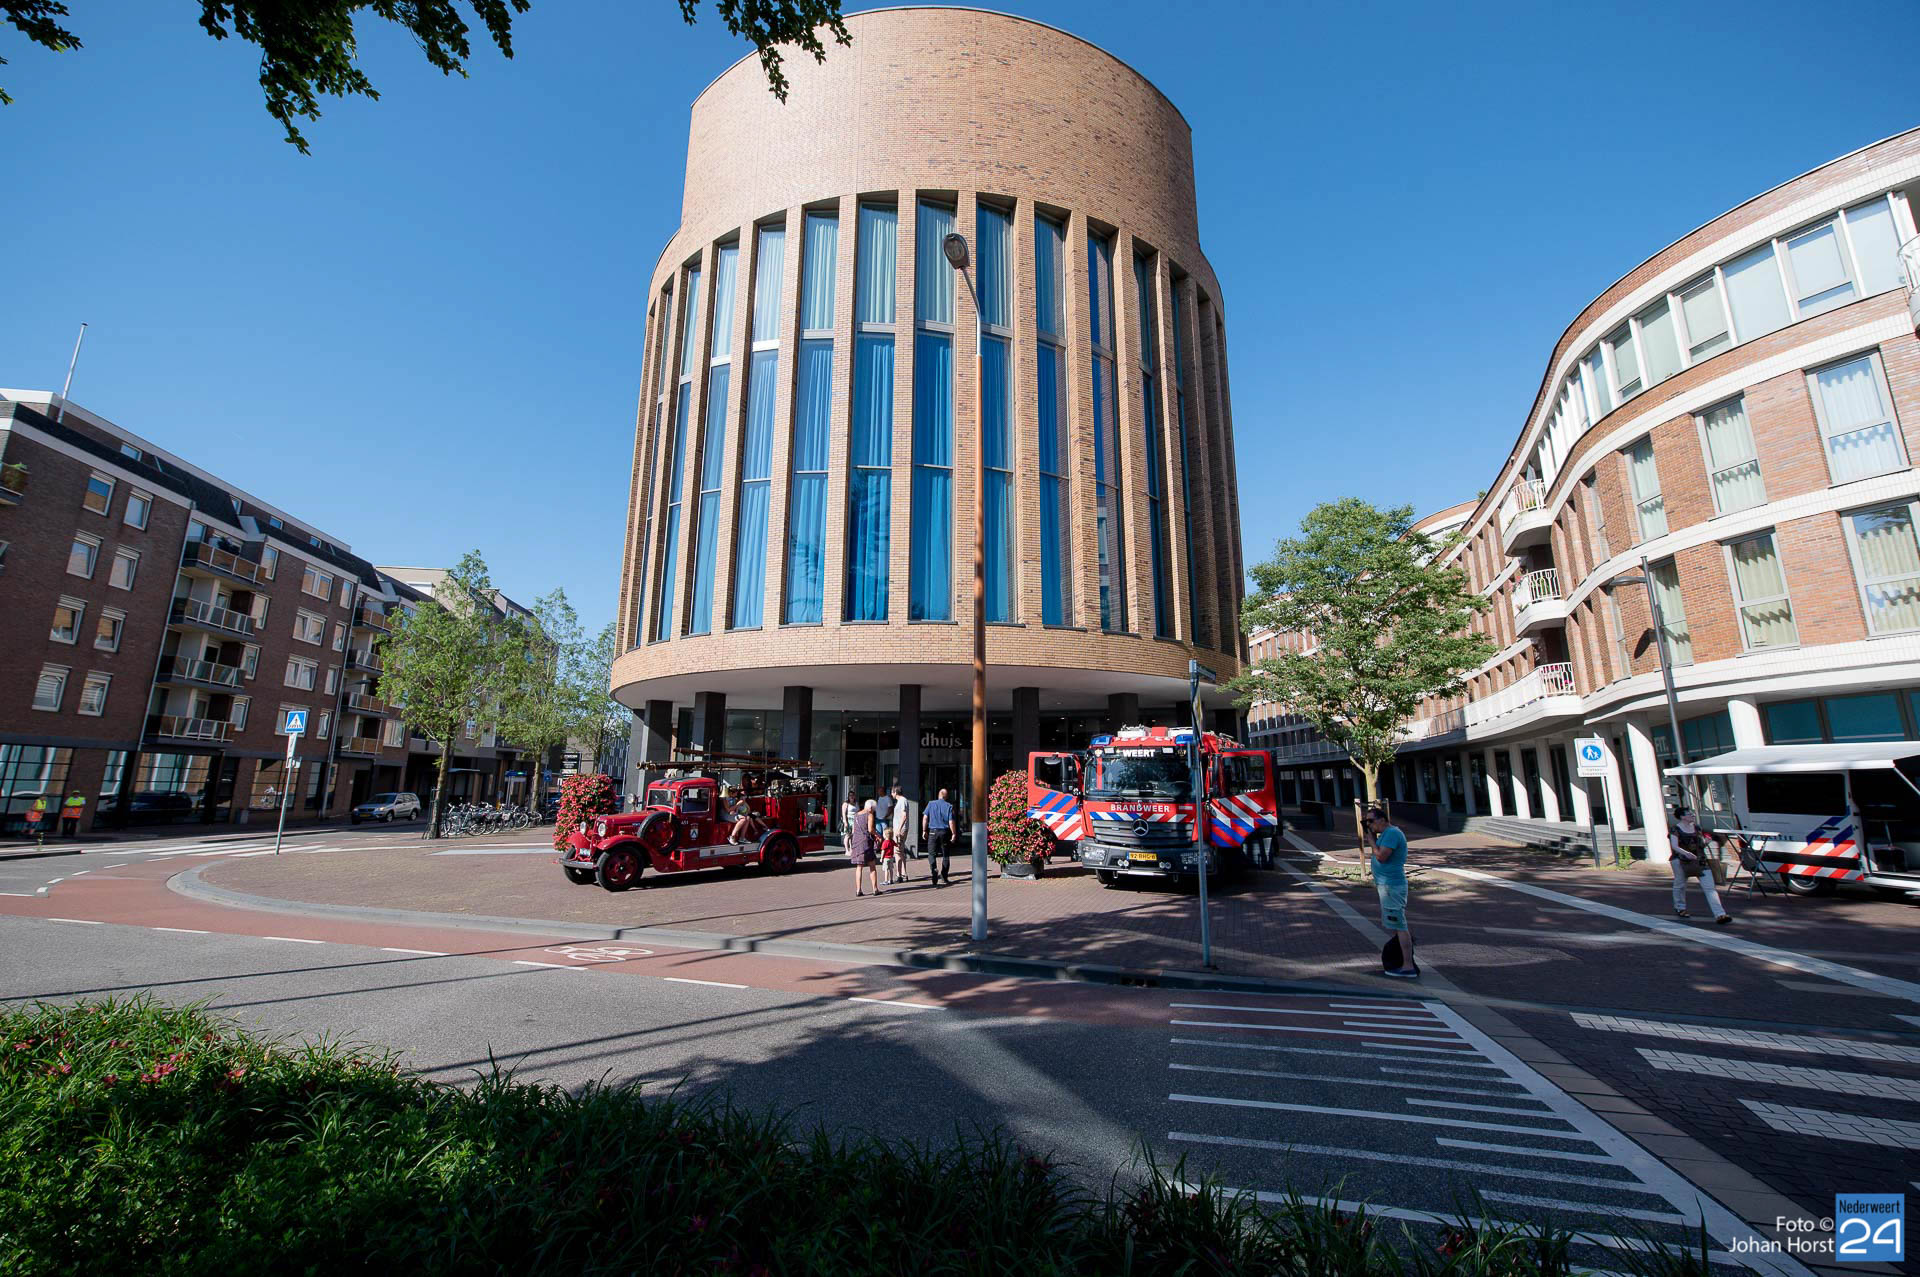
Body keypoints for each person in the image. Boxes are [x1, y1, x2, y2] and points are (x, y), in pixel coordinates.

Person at [1364, 805, 1418, 979]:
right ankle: (1401, 959)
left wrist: (1371, 840)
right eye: (1366, 822)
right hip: (1386, 885)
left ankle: (1408, 965)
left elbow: (1382, 856)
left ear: (1382, 819)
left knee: (1399, 925)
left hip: (1392, 886)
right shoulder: (1386, 835)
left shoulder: (1392, 834)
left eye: (1371, 821)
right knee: (1395, 925)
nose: (1369, 825)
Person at [1669, 806, 1731, 925]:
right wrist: (1687, 853)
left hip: (1700, 860)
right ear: (1682, 817)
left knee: (1710, 888)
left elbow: (1700, 846)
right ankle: (1680, 907)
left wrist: (1706, 842)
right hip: (1681, 860)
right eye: (1689, 813)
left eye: (1692, 813)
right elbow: (1674, 846)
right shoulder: (1675, 829)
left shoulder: (1697, 828)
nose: (1692, 815)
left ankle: (1720, 914)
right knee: (1680, 885)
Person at [923, 788, 958, 887]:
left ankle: (934, 869)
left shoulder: (931, 804)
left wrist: (924, 830)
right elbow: (951, 821)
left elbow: (925, 818)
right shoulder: (949, 806)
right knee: (945, 855)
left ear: (939, 795)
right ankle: (944, 876)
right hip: (944, 832)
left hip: (933, 832)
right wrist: (954, 833)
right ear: (946, 796)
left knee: (931, 854)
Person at [848, 798, 882, 897]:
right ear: (870, 807)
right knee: (872, 865)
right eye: (873, 809)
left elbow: (854, 830)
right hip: (866, 842)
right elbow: (871, 829)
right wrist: (878, 836)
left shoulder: (856, 815)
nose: (873, 811)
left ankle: (858, 890)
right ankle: (875, 889)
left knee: (859, 867)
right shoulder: (869, 815)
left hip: (857, 841)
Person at [890, 784, 912, 881]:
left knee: (897, 851)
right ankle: (903, 873)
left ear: (895, 792)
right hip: (900, 829)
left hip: (900, 830)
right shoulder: (901, 801)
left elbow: (904, 816)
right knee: (900, 851)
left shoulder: (902, 801)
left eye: (892, 792)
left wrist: (898, 829)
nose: (891, 794)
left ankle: (900, 874)